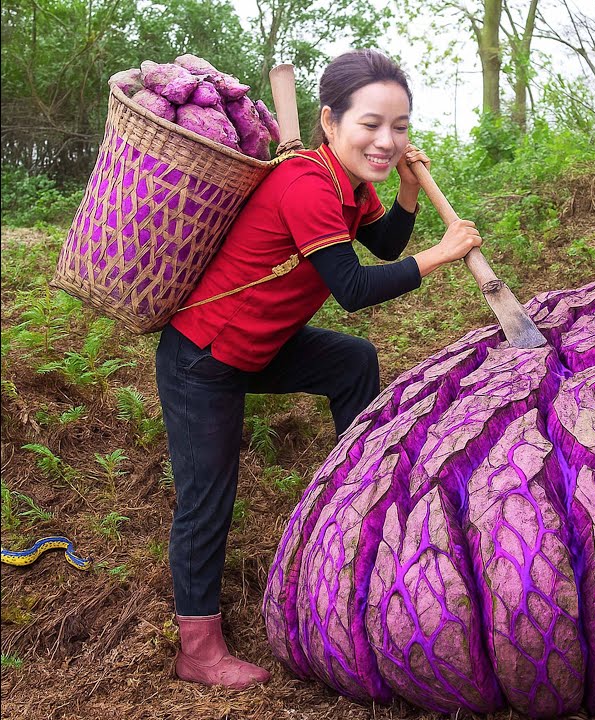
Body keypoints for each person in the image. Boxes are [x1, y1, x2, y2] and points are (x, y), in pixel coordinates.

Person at [155, 49, 482, 689]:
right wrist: (444, 253)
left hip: (262, 343)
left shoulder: (349, 183)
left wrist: (409, 195)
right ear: (330, 122)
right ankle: (197, 646)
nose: (388, 141)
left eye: (401, 126)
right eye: (371, 125)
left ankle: (362, 494)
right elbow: (354, 287)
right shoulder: (307, 185)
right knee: (207, 498)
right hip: (204, 356)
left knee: (351, 361)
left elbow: (383, 244)